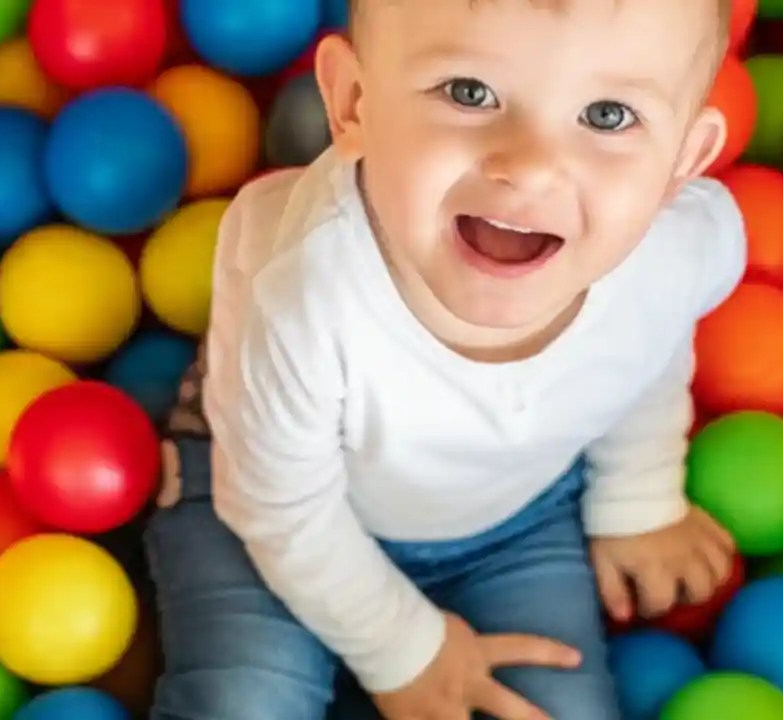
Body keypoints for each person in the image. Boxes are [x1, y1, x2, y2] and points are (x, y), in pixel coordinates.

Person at [145, 0, 745, 718]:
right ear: (353, 101)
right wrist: (403, 651)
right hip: (258, 502)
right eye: (470, 93)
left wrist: (636, 497)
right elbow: (278, 508)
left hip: (515, 519)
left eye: (609, 116)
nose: (529, 167)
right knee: (242, 696)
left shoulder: (681, 252)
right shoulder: (308, 294)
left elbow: (649, 351)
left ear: (683, 159)